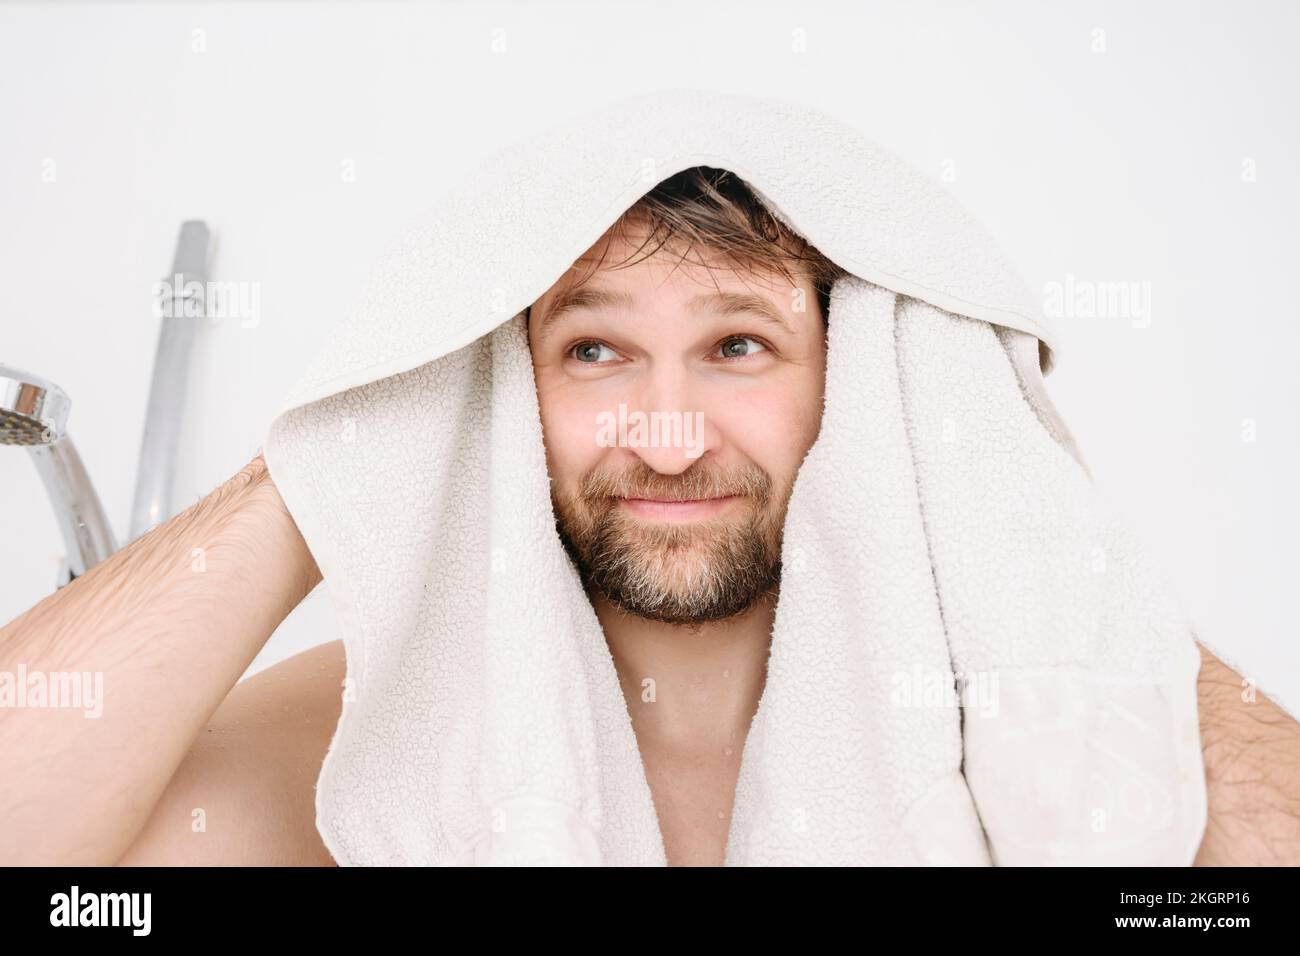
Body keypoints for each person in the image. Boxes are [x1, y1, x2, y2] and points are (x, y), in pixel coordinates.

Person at [1, 169, 1296, 867]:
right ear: (501, 395)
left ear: (863, 383)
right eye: (596, 355)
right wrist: (325, 461)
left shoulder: (1023, 709)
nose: (667, 432)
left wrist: (1032, 541)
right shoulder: (390, 724)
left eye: (737, 345)